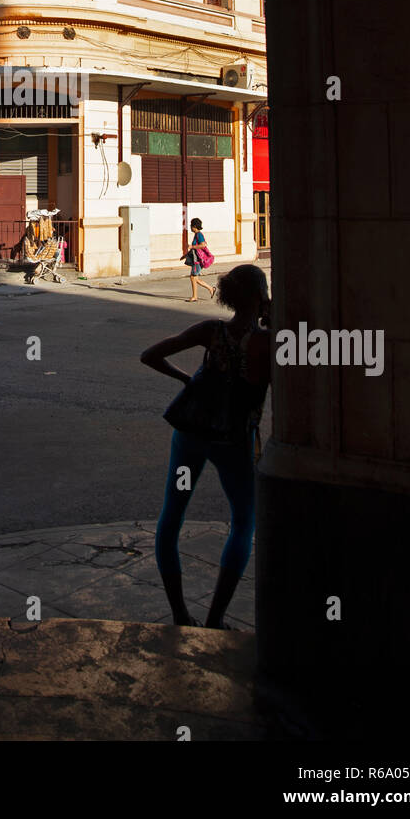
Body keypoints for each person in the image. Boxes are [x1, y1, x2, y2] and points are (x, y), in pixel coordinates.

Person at [140, 264, 271, 629]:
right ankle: (215, 619)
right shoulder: (269, 343)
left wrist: (187, 379)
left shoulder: (210, 332)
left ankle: (180, 614)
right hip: (234, 441)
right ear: (261, 298)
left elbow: (150, 355)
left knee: (171, 518)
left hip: (191, 435)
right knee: (243, 522)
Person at [185, 216, 215, 301]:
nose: (190, 227)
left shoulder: (199, 235)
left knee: (193, 277)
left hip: (197, 261)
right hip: (196, 259)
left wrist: (192, 246)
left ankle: (195, 296)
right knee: (194, 278)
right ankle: (210, 289)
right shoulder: (197, 235)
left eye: (191, 225)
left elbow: (203, 245)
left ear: (194, 226)